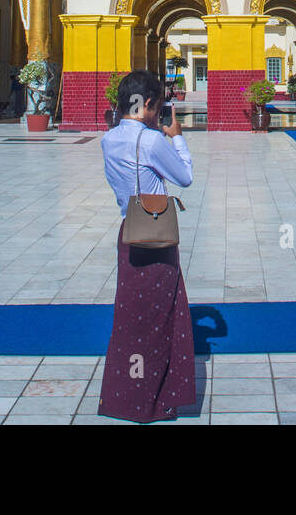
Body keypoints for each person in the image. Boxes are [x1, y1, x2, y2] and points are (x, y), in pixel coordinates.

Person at [98, 70, 196, 422]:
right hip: (155, 232)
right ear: (150, 103)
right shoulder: (153, 142)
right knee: (160, 317)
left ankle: (125, 398)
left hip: (130, 230)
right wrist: (178, 139)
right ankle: (155, 400)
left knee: (131, 319)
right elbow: (185, 177)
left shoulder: (108, 140)